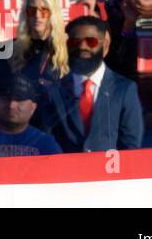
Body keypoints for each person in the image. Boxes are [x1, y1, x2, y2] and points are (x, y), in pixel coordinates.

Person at [35, 15, 145, 152]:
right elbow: (46, 141)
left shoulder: (124, 89)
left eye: (91, 41)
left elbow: (131, 145)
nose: (83, 47)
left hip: (111, 171)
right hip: (66, 171)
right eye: (75, 42)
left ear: (104, 46)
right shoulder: (53, 91)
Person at [0, 74, 63, 156]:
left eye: (19, 100)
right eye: (6, 98)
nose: (12, 105)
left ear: (33, 107)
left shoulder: (46, 145)